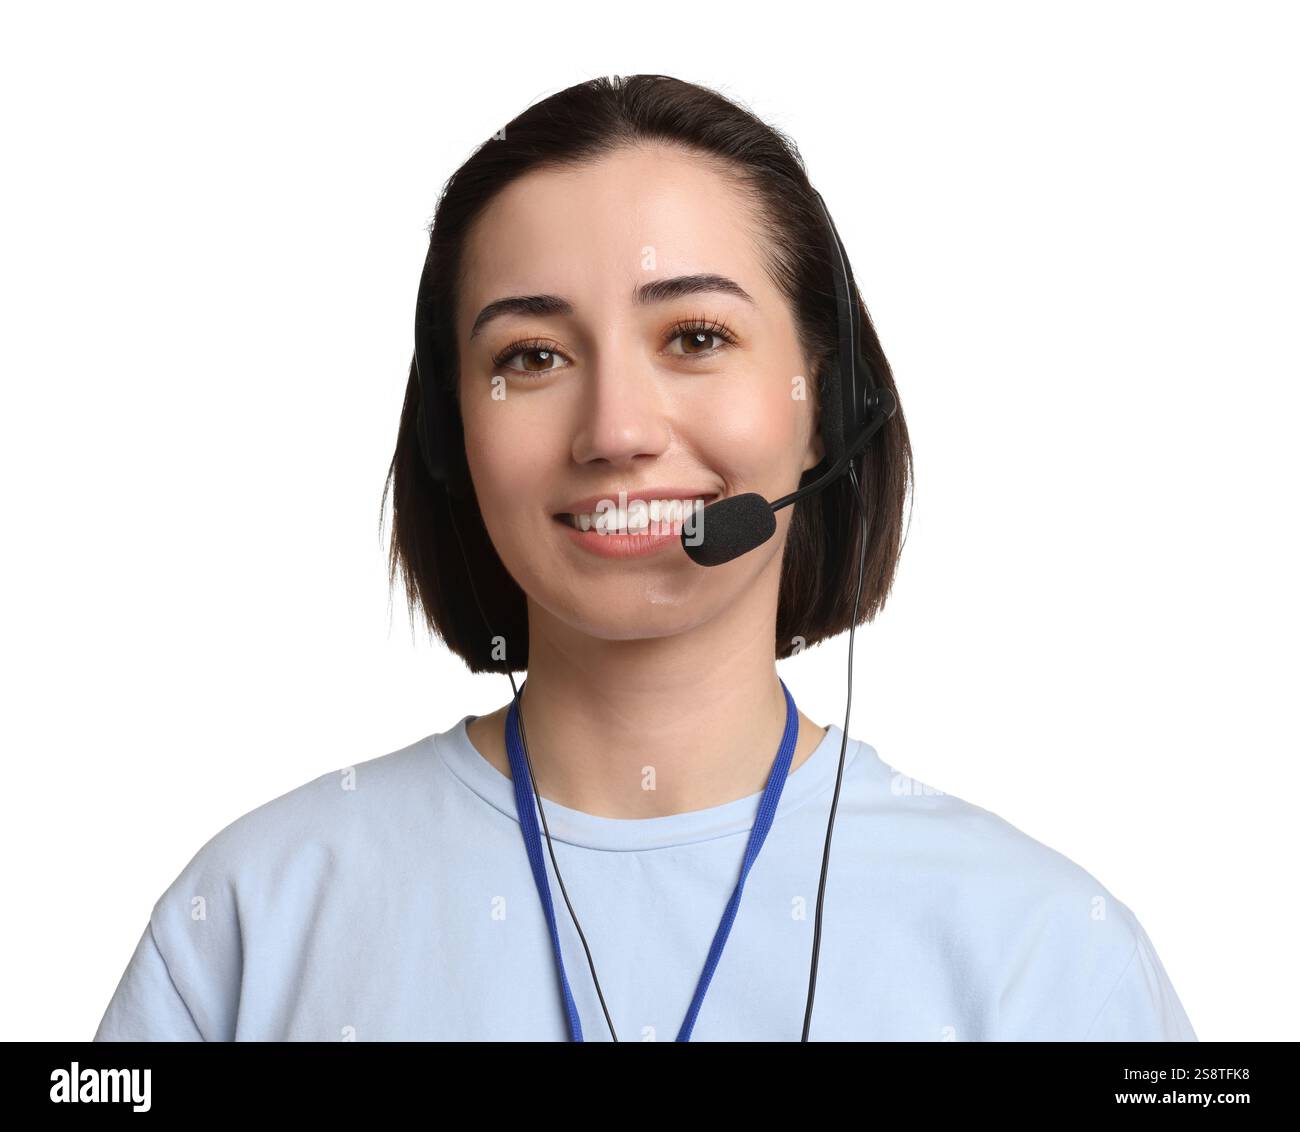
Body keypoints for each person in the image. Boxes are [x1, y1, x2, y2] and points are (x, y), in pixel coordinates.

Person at [93, 73, 1196, 1042]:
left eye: (696, 338)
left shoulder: (1045, 947)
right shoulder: (252, 917)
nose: (615, 428)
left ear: (830, 409)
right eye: (531, 355)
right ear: (449, 437)